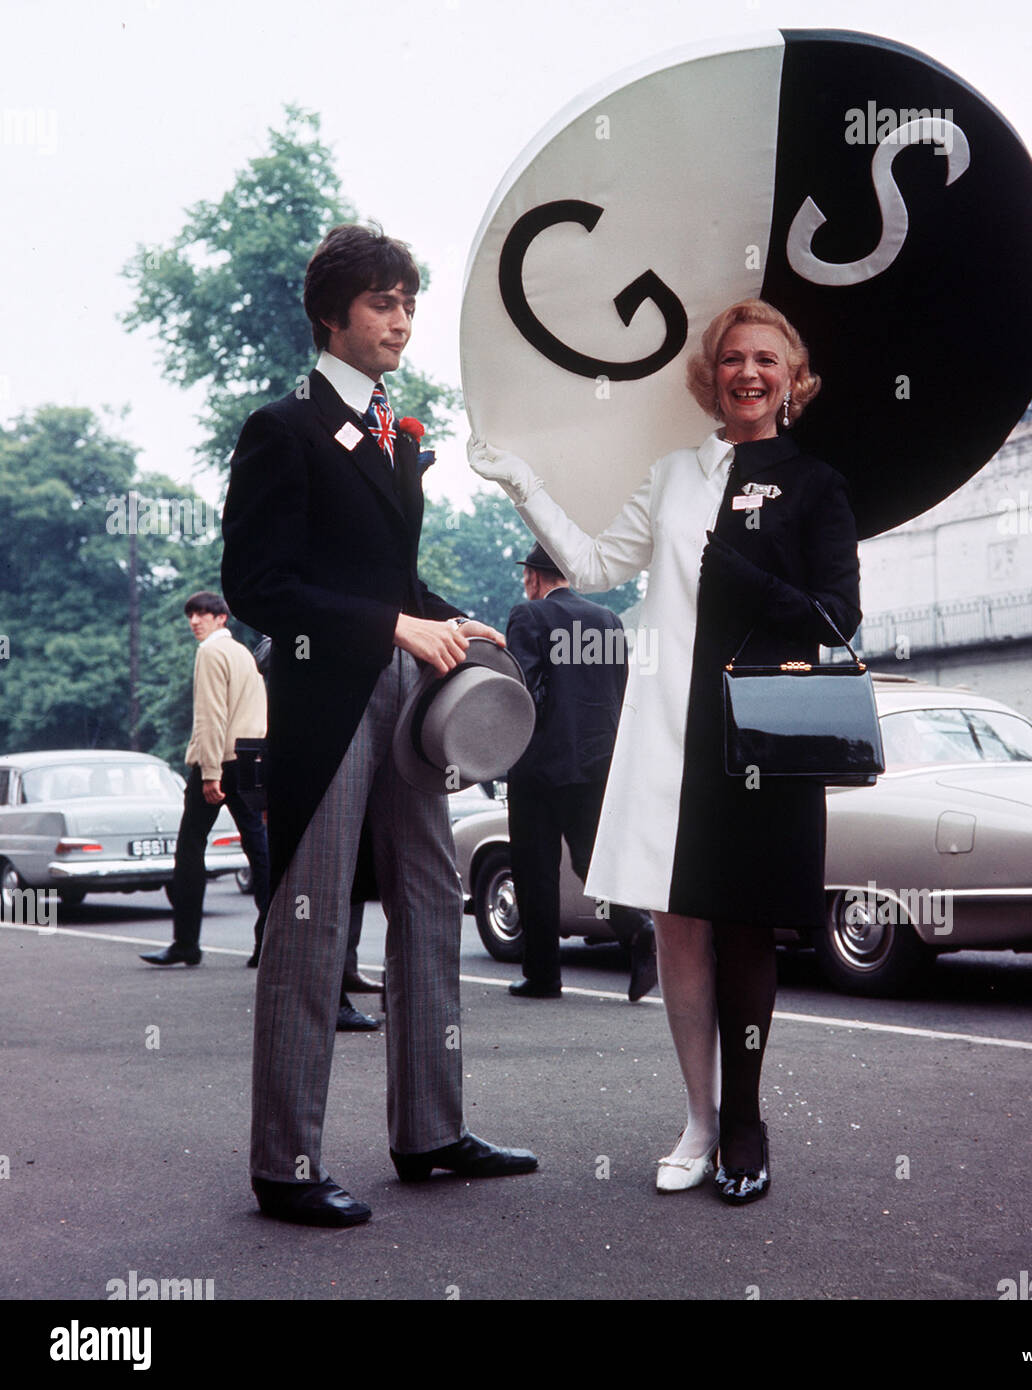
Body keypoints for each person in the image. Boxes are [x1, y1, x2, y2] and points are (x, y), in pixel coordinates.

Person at [470, 298, 861, 1203]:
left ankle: (745, 1123)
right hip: (671, 729)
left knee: (747, 922)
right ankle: (696, 1119)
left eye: (767, 358)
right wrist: (522, 483)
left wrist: (740, 572)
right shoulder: (676, 474)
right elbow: (601, 564)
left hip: (763, 726)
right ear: (709, 376)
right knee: (681, 923)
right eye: (731, 358)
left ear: (792, 377)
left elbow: (838, 617)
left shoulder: (814, 483)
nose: (748, 373)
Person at [222, 223, 538, 1228]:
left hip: (405, 696)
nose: (401, 319)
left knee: (432, 904)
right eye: (383, 303)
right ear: (332, 314)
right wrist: (395, 622)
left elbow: (388, 579)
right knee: (312, 928)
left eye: (407, 301)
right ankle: (286, 1163)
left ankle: (430, 1131)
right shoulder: (281, 428)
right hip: (322, 701)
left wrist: (440, 616)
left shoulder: (395, 434)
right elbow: (258, 586)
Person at [504, 542, 657, 1002]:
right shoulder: (607, 620)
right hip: (597, 765)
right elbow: (621, 688)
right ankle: (637, 927)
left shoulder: (528, 617)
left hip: (539, 768)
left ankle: (543, 976)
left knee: (536, 873)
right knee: (593, 863)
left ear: (534, 576)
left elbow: (523, 692)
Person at [140, 592, 270, 967]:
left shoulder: (211, 652)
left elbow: (211, 716)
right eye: (191, 615)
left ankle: (186, 943)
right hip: (248, 756)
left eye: (203, 614)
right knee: (258, 848)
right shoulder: (243, 653)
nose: (195, 621)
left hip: (220, 761)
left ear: (221, 619)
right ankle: (269, 941)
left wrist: (210, 773)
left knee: (190, 849)